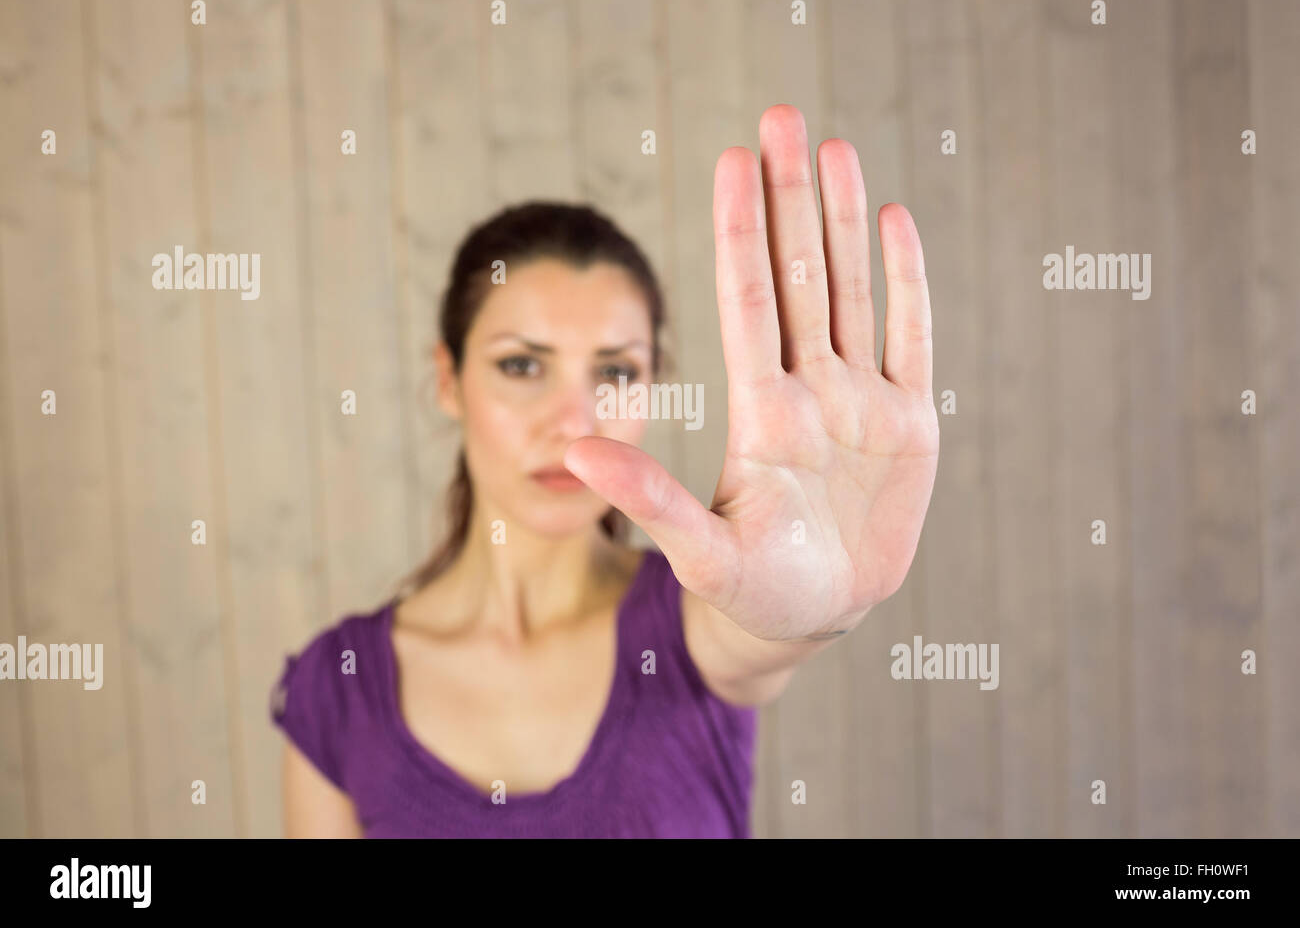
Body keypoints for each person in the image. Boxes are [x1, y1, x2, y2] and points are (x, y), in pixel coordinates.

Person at [271, 104, 940, 837]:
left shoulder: (697, 619)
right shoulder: (335, 691)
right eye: (522, 365)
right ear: (448, 379)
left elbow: (757, 637)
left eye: (616, 371)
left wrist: (816, 615)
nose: (574, 420)